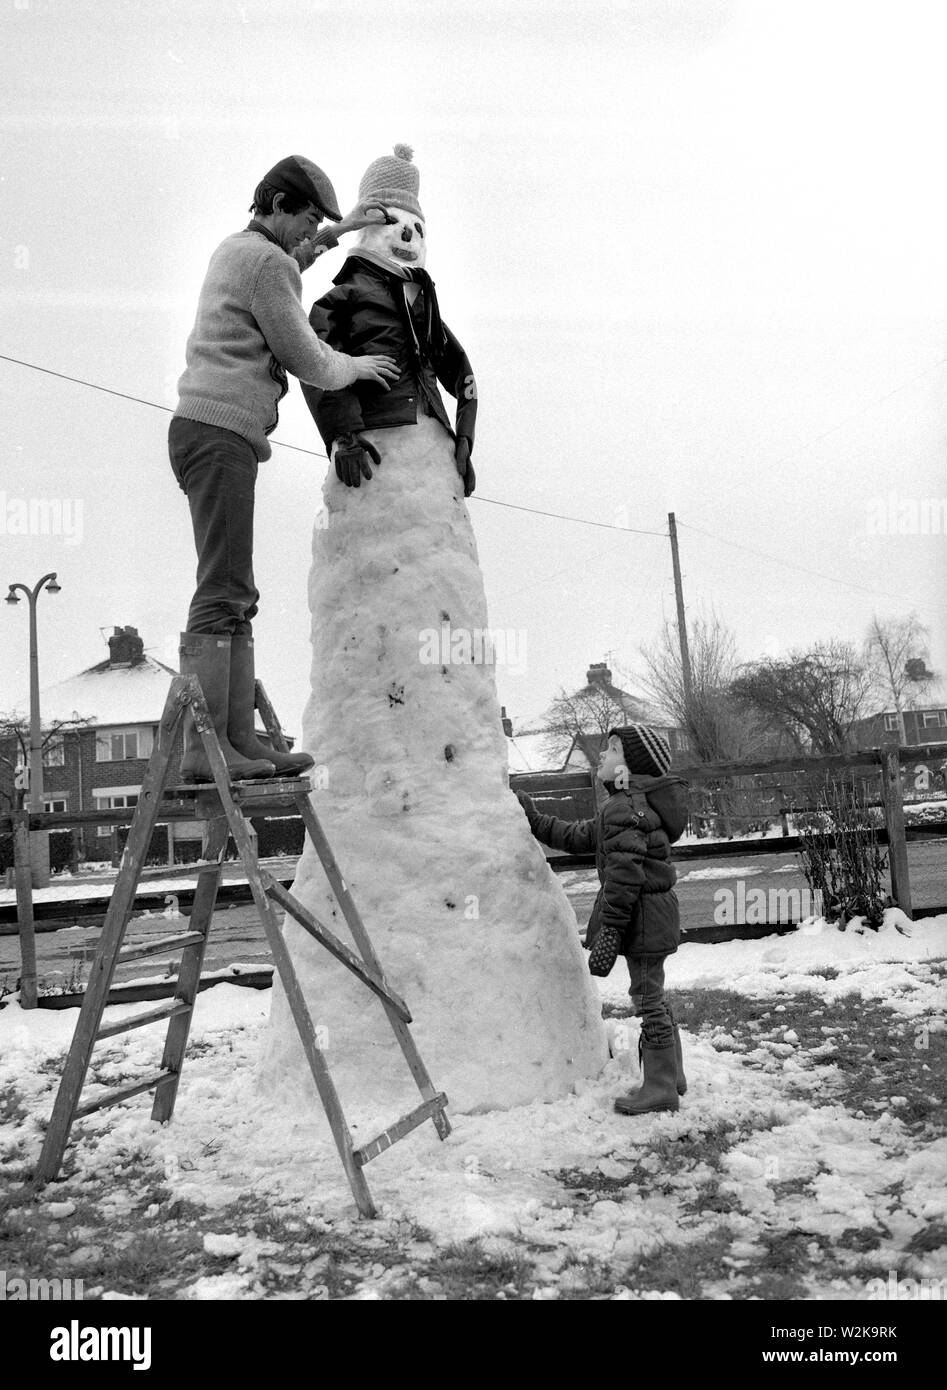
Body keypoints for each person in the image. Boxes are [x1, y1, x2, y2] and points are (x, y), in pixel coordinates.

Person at [169, 154, 399, 783]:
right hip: (219, 435)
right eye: (306, 218)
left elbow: (291, 259)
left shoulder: (241, 250)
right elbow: (305, 354)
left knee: (236, 591)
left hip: (213, 433)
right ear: (275, 204)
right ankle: (204, 747)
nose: (309, 232)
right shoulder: (266, 263)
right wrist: (355, 368)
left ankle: (239, 740)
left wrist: (344, 226)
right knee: (223, 589)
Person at [516, 724, 689, 1115]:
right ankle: (672, 1075)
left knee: (647, 999)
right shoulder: (627, 805)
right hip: (652, 917)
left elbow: (626, 878)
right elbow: (581, 836)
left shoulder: (625, 809)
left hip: (642, 919)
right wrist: (535, 820)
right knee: (654, 994)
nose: (602, 756)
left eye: (611, 751)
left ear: (631, 767)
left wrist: (611, 928)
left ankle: (661, 1087)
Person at [298, 143, 476, 499]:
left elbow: (463, 376)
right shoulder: (342, 299)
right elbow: (314, 362)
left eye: (417, 229)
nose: (408, 237)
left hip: (433, 456)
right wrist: (343, 434)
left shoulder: (424, 308)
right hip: (372, 448)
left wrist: (464, 439)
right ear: (370, 227)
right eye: (395, 224)